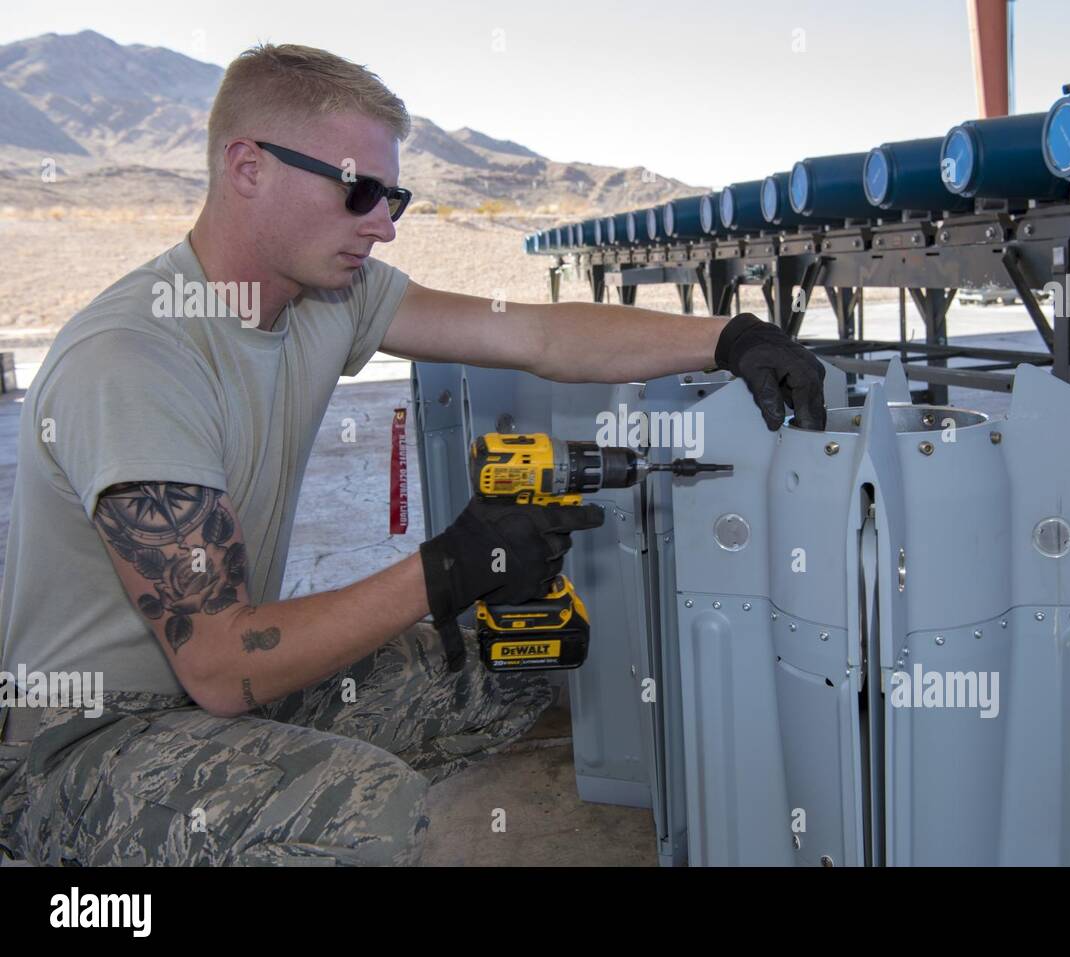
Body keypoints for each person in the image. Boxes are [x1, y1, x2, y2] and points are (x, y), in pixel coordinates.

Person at [0, 43, 827, 865]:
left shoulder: (332, 294)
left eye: (394, 195)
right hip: (81, 742)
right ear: (247, 167)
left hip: (214, 698)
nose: (384, 223)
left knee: (509, 664)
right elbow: (220, 663)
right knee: (368, 812)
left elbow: (536, 332)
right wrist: (447, 566)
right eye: (359, 191)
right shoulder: (137, 359)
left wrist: (728, 336)